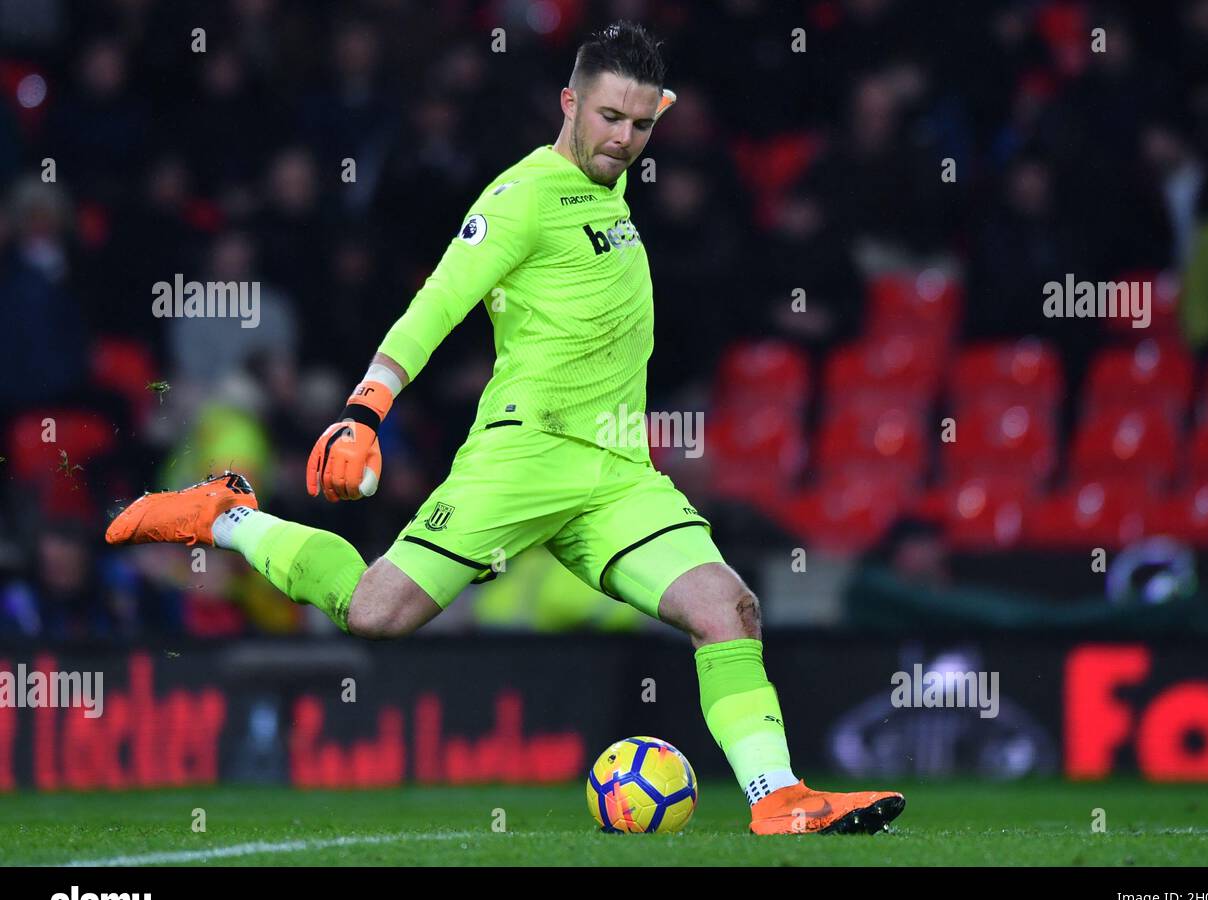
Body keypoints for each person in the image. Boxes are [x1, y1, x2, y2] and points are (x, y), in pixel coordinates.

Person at [105, 21, 904, 836]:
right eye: (608, 119)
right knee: (376, 612)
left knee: (727, 606)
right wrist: (363, 412)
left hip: (618, 472)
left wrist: (649, 93)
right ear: (569, 103)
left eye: (640, 125)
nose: (623, 140)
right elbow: (437, 304)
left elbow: (639, 98)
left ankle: (779, 798)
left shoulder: (612, 182)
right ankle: (227, 515)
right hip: (523, 455)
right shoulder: (519, 198)